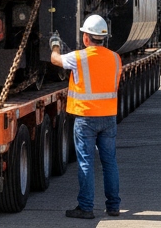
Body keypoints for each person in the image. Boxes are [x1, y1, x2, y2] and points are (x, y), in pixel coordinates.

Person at [50, 14, 122, 219]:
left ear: (86, 38)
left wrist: (55, 44)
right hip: (109, 117)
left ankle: (86, 207)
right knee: (110, 163)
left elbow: (55, 60)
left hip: (86, 118)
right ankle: (114, 206)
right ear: (103, 38)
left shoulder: (79, 57)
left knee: (86, 163)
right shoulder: (115, 58)